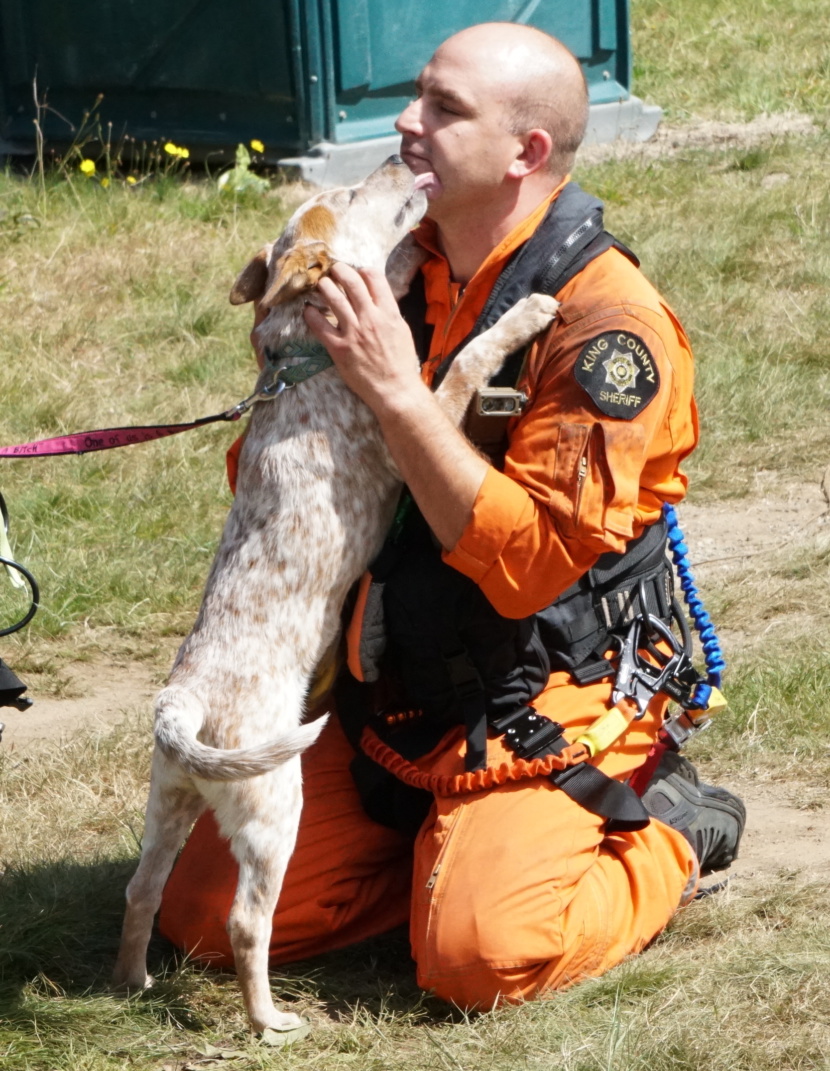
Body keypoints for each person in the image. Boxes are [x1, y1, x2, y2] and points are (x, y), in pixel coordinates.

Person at [158, 22, 745, 1008]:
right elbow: (277, 488)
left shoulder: (606, 321)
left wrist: (395, 395)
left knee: (479, 960)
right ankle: (452, 853)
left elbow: (528, 570)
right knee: (202, 923)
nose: (405, 121)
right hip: (398, 681)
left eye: (443, 107)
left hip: (548, 683)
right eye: (415, 95)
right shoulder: (386, 267)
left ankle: (674, 831)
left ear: (524, 154)